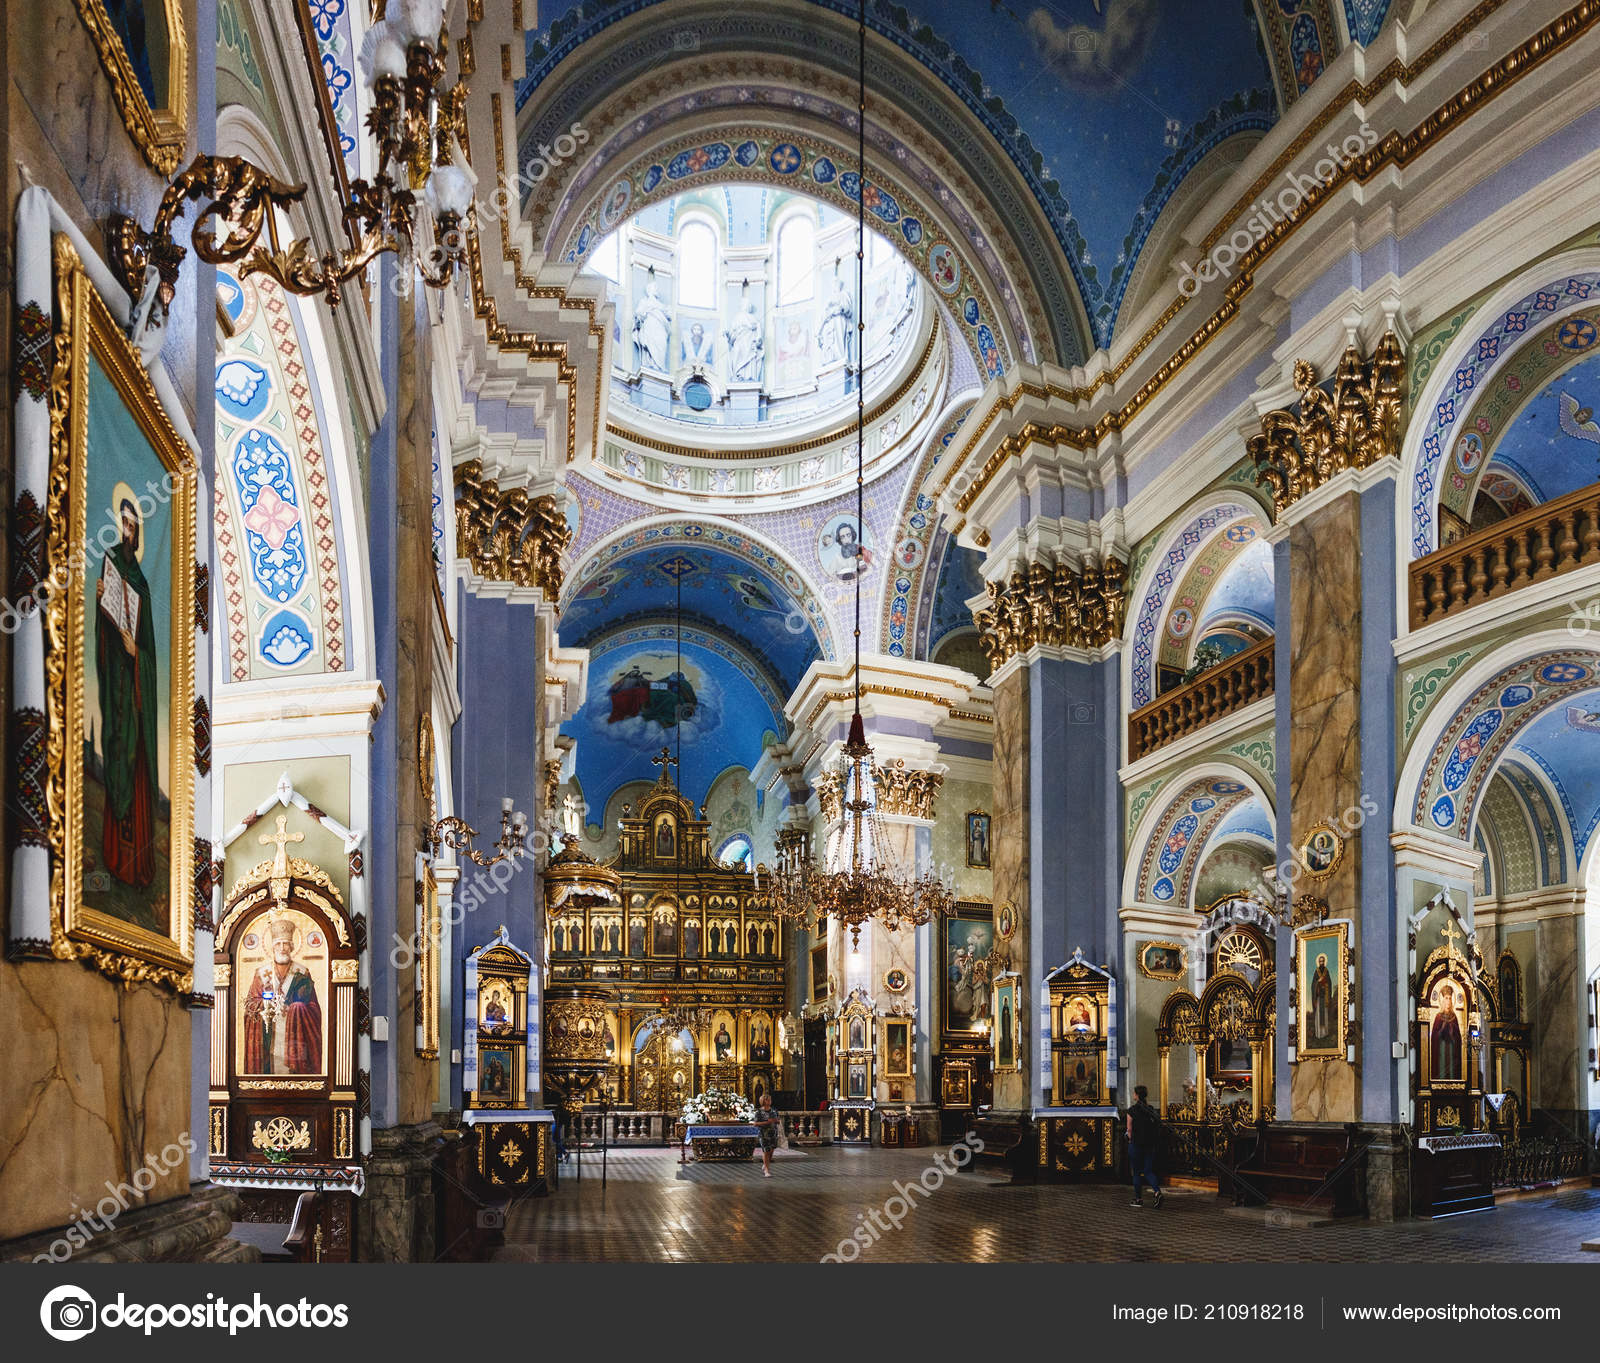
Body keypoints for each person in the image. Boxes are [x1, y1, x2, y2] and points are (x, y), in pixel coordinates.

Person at [96, 496, 161, 889]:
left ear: (137, 534)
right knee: (116, 754)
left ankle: (136, 867)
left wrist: (138, 656)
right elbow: (105, 635)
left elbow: (149, 649)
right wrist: (102, 598)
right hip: (117, 692)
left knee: (135, 767)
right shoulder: (111, 567)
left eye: (132, 527)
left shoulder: (142, 586)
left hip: (135, 695)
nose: (126, 532)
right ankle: (114, 857)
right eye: (122, 525)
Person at [1125, 1085, 1164, 1208]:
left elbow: (1129, 1130)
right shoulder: (1151, 1109)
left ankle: (1138, 1199)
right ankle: (1157, 1192)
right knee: (1148, 1171)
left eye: (1134, 1094)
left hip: (1136, 1144)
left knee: (1136, 1172)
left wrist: (1130, 1140)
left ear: (1136, 1095)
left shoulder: (1131, 1110)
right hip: (1149, 1144)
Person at [755, 1093, 781, 1177]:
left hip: (773, 1133)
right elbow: (755, 1123)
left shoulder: (774, 1110)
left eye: (770, 1099)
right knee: (766, 1151)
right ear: (763, 1101)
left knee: (771, 1150)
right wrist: (767, 1122)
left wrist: (775, 1121)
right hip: (763, 1134)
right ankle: (766, 1170)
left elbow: (778, 1120)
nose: (770, 1101)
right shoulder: (759, 1112)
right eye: (768, 1100)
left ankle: (766, 1163)